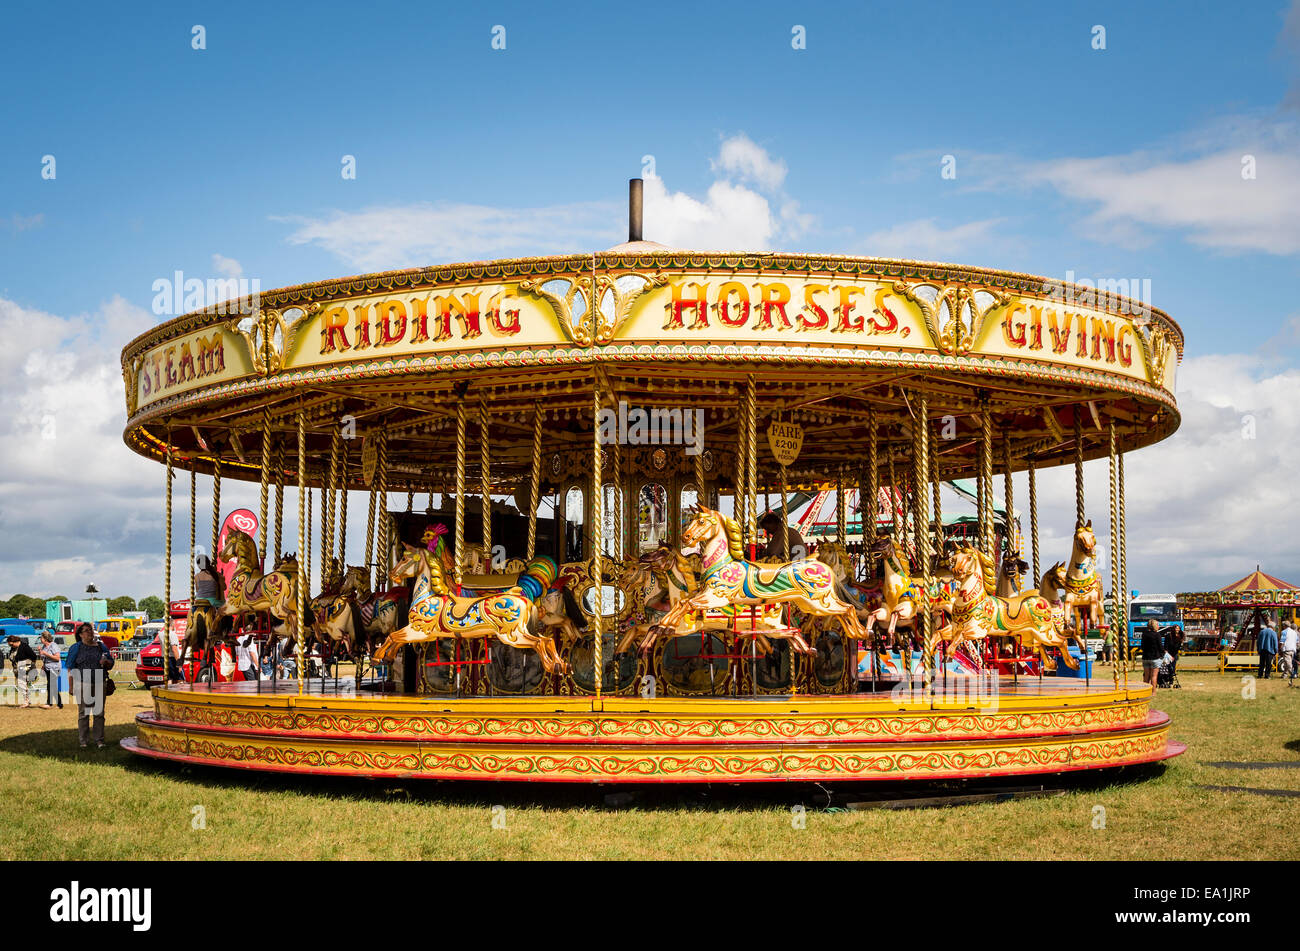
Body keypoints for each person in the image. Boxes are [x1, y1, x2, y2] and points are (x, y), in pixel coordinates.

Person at [66, 623, 114, 749]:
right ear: (80, 634)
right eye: (86, 631)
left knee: (99, 713)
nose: (90, 633)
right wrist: (70, 686)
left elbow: (111, 663)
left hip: (99, 681)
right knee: (83, 713)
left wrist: (106, 662)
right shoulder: (76, 647)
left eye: (91, 630)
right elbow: (70, 668)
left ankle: (99, 740)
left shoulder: (101, 647)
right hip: (82, 682)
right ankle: (83, 741)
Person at [6, 635, 38, 707]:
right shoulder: (13, 649)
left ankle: (26, 701)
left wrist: (29, 667)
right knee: (22, 685)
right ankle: (27, 701)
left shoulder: (24, 646)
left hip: (26, 666)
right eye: (9, 645)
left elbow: (34, 656)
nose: (11, 646)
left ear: (16, 641)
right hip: (18, 668)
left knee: (21, 684)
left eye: (11, 644)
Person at [37, 631, 62, 709]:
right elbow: (44, 658)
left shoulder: (53, 646)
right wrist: (40, 652)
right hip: (47, 668)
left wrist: (45, 653)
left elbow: (57, 658)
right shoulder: (44, 647)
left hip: (55, 668)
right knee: (52, 686)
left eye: (41, 638)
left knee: (50, 685)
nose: (40, 639)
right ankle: (59, 704)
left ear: (45, 638)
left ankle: (49, 703)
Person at [1141, 619, 1164, 689]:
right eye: (1157, 625)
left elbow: (1142, 646)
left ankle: (1145, 691)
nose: (1158, 626)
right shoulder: (1157, 635)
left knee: (1146, 676)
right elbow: (1160, 646)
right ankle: (1153, 692)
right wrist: (1163, 653)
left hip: (1145, 657)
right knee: (1154, 676)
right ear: (1154, 626)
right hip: (1155, 657)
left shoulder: (1144, 634)